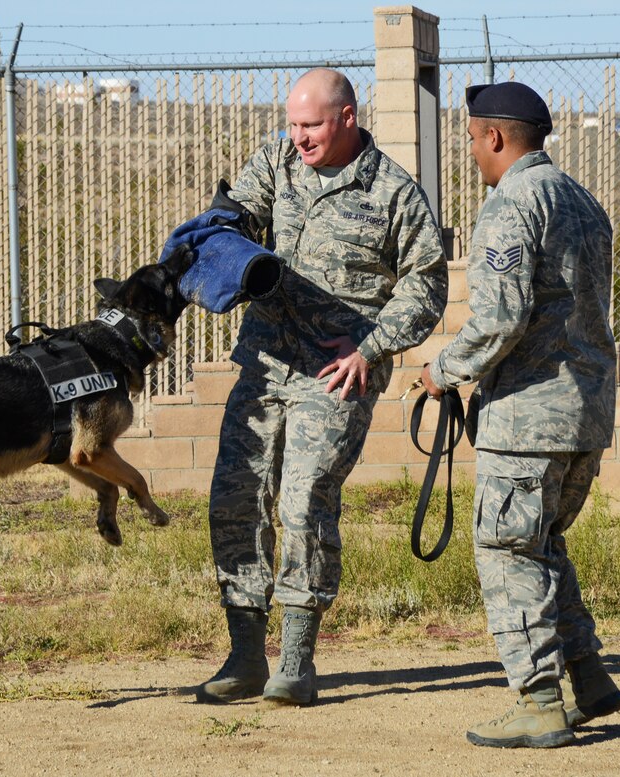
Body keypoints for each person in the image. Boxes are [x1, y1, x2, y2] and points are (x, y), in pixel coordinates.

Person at [195, 68, 447, 706]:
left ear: (346, 118)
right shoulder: (280, 159)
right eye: (292, 123)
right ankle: (246, 656)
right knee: (235, 495)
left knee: (304, 499)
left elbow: (425, 282)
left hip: (337, 372)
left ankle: (297, 661)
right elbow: (242, 210)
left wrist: (373, 346)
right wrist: (218, 225)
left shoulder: (393, 191)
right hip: (265, 360)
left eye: (310, 125)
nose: (297, 136)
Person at [420, 81, 620, 747]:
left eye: (473, 139)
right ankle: (589, 675)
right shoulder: (583, 202)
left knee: (508, 552)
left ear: (498, 138)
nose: (472, 152)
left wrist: (442, 370)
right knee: (541, 544)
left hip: (528, 418)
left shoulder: (512, 203)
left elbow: (501, 317)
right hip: (585, 412)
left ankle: (538, 699)